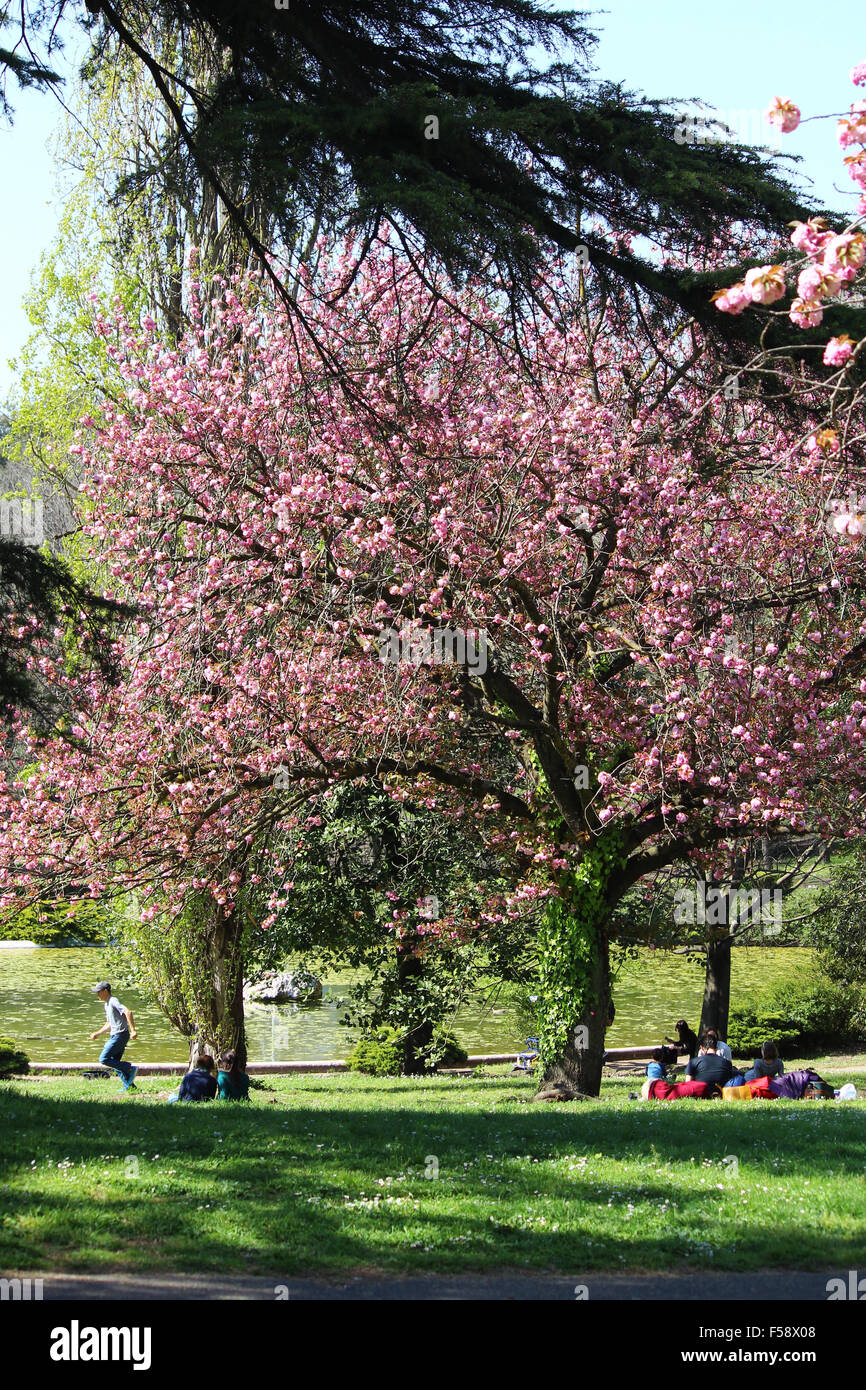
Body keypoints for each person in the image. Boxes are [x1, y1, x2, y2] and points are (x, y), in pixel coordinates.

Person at [89, 981, 138, 1092]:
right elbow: (109, 1023)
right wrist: (98, 1033)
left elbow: (128, 1012)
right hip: (116, 1035)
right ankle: (130, 1088)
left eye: (99, 992)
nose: (97, 995)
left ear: (105, 991)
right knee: (115, 1063)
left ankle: (129, 1068)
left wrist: (133, 1030)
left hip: (120, 1035)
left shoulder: (113, 1001)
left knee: (104, 1058)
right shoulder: (107, 1004)